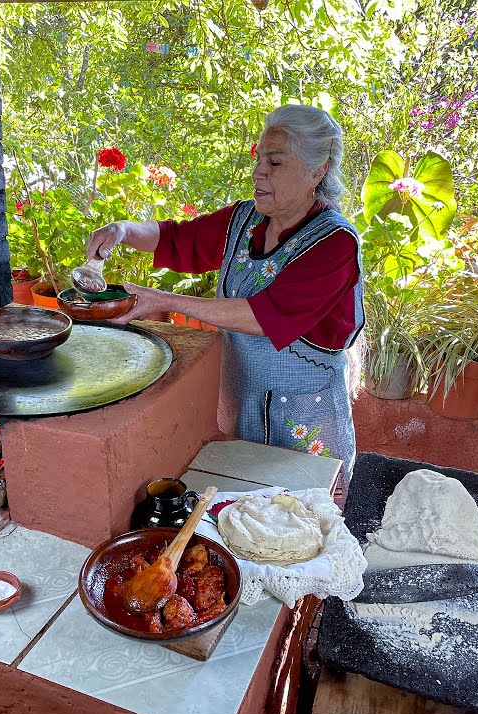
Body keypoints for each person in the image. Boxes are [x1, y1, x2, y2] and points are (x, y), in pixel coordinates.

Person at [87, 104, 364, 485]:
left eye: (275, 163)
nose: (258, 173)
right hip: (242, 402)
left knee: (303, 525)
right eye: (259, 159)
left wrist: (165, 301)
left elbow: (264, 316)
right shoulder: (244, 219)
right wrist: (123, 230)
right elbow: (179, 239)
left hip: (304, 418)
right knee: (242, 515)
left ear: (317, 172)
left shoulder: (334, 243)